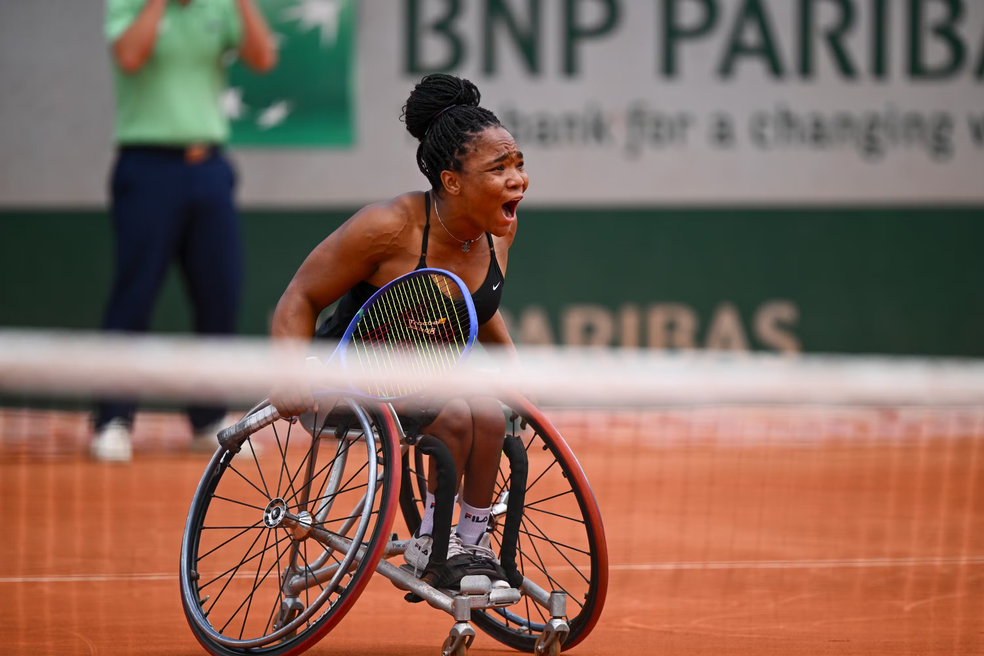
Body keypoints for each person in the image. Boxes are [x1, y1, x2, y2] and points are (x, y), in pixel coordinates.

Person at [270, 73, 528, 584]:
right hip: (349, 376)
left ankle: (470, 543)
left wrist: (516, 375)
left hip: (427, 377)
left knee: (490, 415)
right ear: (452, 182)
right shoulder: (388, 227)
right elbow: (300, 295)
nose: (516, 179)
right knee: (457, 415)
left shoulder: (500, 231)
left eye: (519, 164)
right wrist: (288, 373)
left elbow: (477, 308)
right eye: (498, 168)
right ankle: (432, 542)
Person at [90, 0, 277, 461]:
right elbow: (129, 55)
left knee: (219, 295)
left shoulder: (220, 7)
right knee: (134, 296)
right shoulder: (129, 4)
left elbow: (263, 58)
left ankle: (208, 419)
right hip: (146, 166)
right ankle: (112, 420)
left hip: (210, 167)